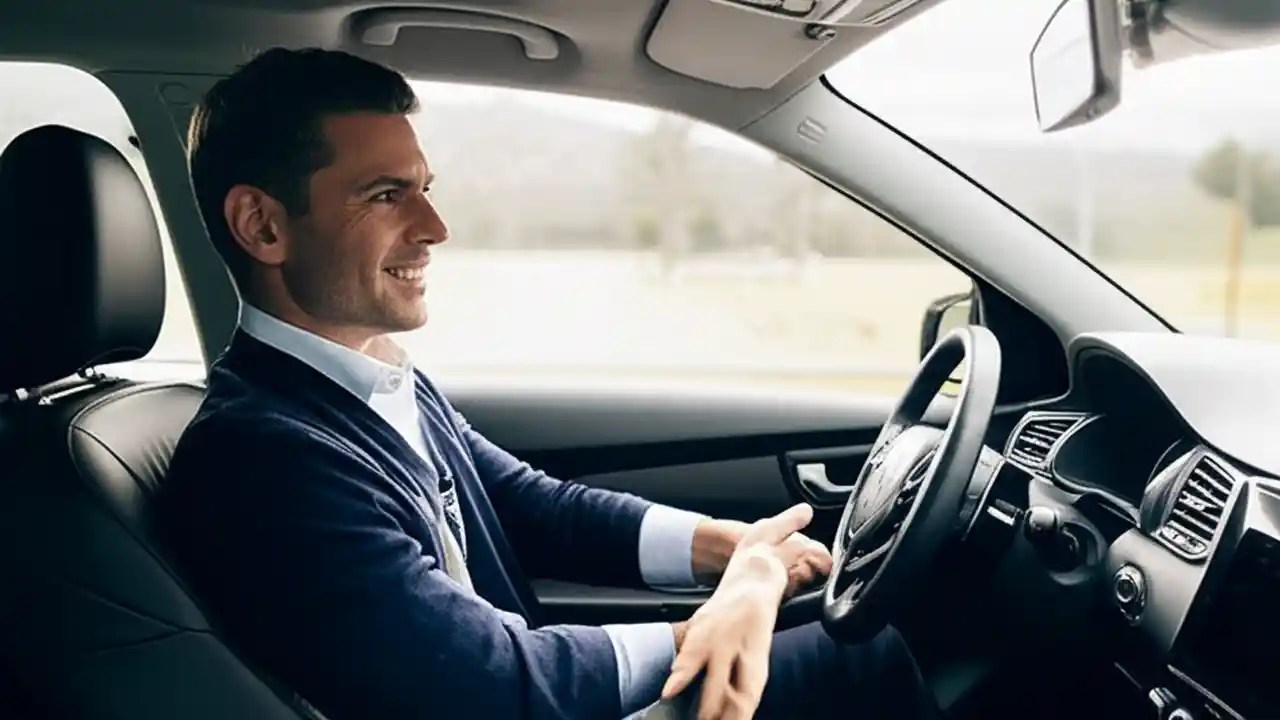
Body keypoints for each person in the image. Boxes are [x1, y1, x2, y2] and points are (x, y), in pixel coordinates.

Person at [157, 47, 938, 720]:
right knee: (861, 657)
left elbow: (534, 508)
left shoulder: (369, 379)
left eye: (426, 187)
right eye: (387, 195)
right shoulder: (260, 457)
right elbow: (488, 682)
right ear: (262, 225)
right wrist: (721, 617)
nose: (434, 228)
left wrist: (733, 549)